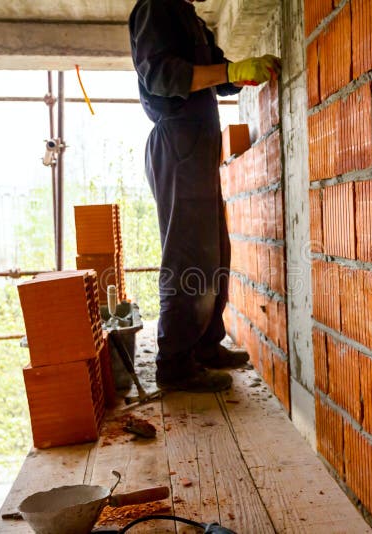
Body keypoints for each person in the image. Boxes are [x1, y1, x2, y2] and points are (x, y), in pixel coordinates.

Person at [129, 0, 281, 392]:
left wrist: (240, 73)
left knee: (214, 250)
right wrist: (229, 71)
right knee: (187, 257)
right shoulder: (155, 8)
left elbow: (215, 73)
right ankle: (174, 364)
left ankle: (205, 345)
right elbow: (161, 77)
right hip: (178, 142)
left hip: (197, 144)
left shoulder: (187, 16)